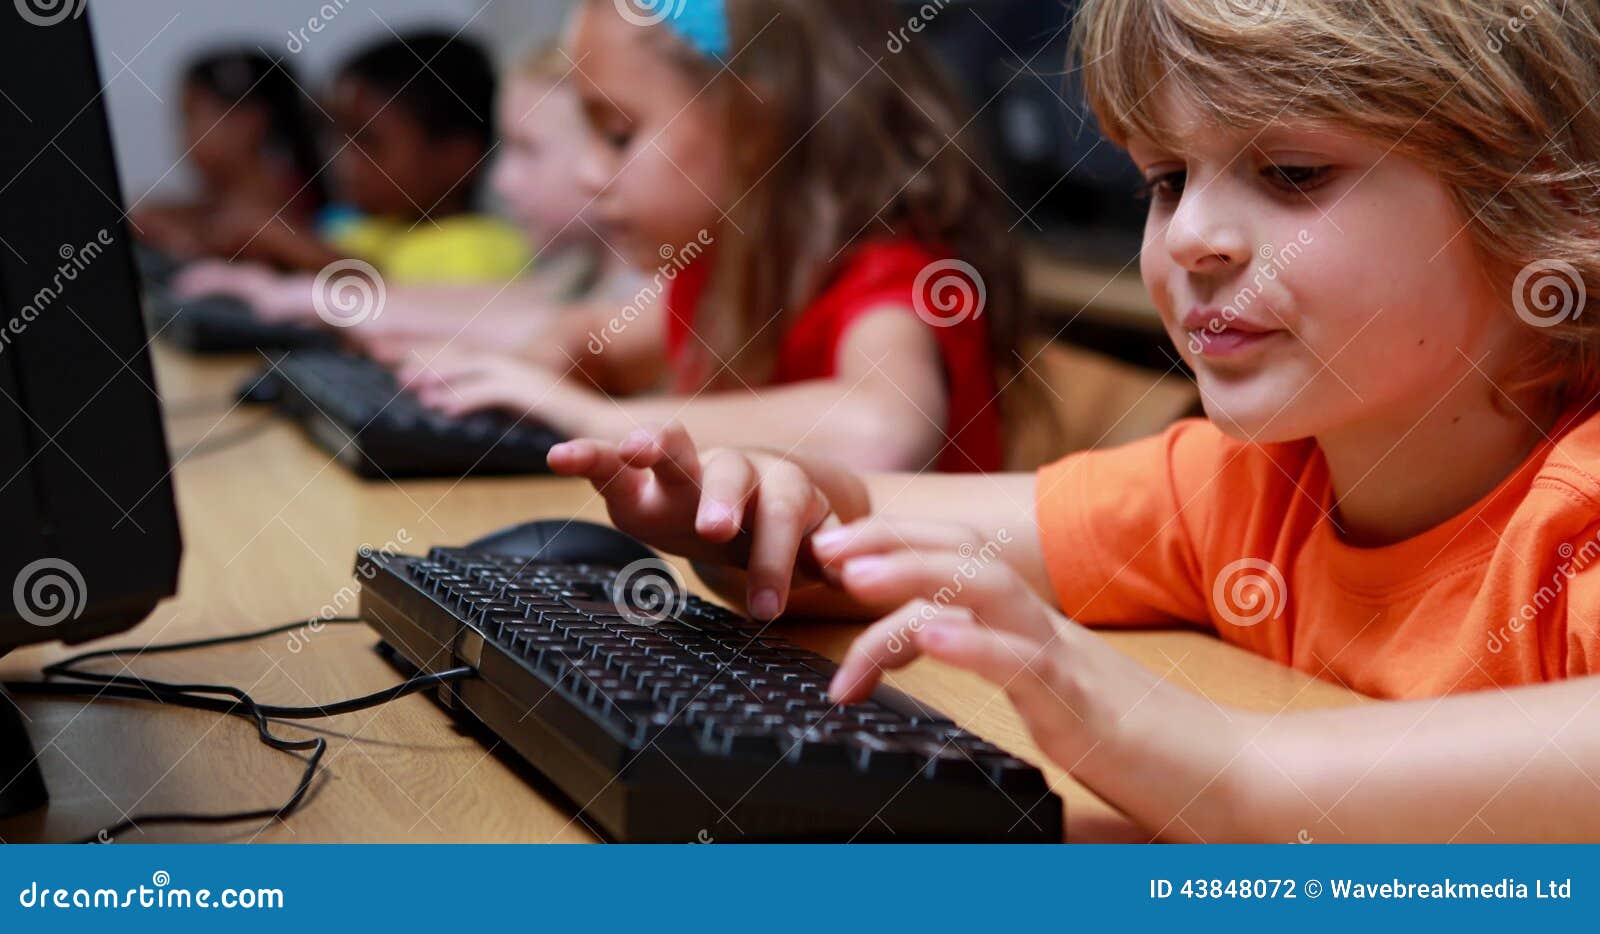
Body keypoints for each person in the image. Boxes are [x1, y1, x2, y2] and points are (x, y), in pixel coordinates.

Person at [548, 0, 1600, 841]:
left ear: (1539, 199)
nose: (1190, 237)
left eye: (1290, 172)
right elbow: (876, 525)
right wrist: (770, 515)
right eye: (1165, 178)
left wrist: (1231, 773)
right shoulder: (1243, 488)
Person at [407, 0, 1039, 473]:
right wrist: (525, 378)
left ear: (751, 128)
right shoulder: (717, 268)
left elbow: (883, 429)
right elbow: (590, 337)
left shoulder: (889, 277)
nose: (588, 173)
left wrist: (600, 419)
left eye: (619, 134)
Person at [173, 31, 531, 300]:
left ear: (456, 157)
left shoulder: (483, 248)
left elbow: (391, 300)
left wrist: (290, 243)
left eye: (367, 142)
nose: (343, 160)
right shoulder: (357, 228)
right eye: (339, 138)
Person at [130, 49, 327, 265]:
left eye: (190, 115)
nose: (182, 134)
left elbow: (360, 275)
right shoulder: (207, 211)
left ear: (247, 120)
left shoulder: (306, 210)